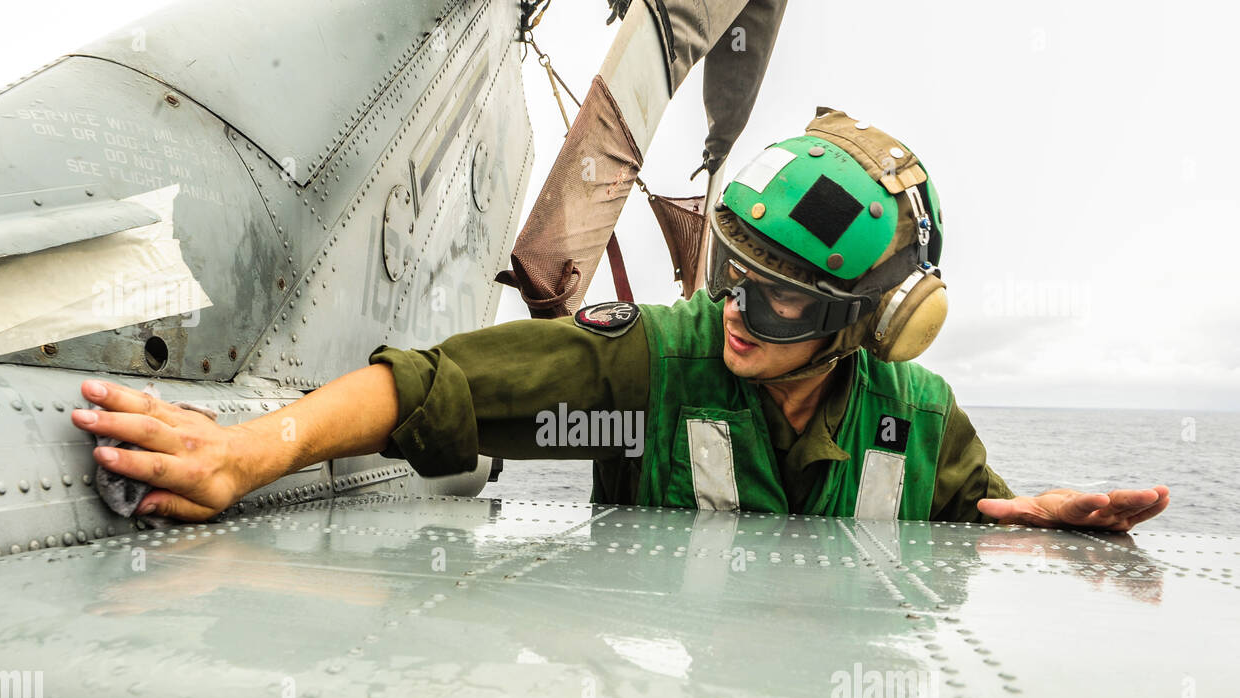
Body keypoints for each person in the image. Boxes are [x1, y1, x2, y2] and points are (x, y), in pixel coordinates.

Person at [69, 108, 1169, 531]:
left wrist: (1022, 521)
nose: (737, 310)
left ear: (867, 324)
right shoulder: (649, 370)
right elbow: (432, 387)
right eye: (731, 271)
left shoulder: (923, 422)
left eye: (780, 295)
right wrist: (247, 451)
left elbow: (966, 521)